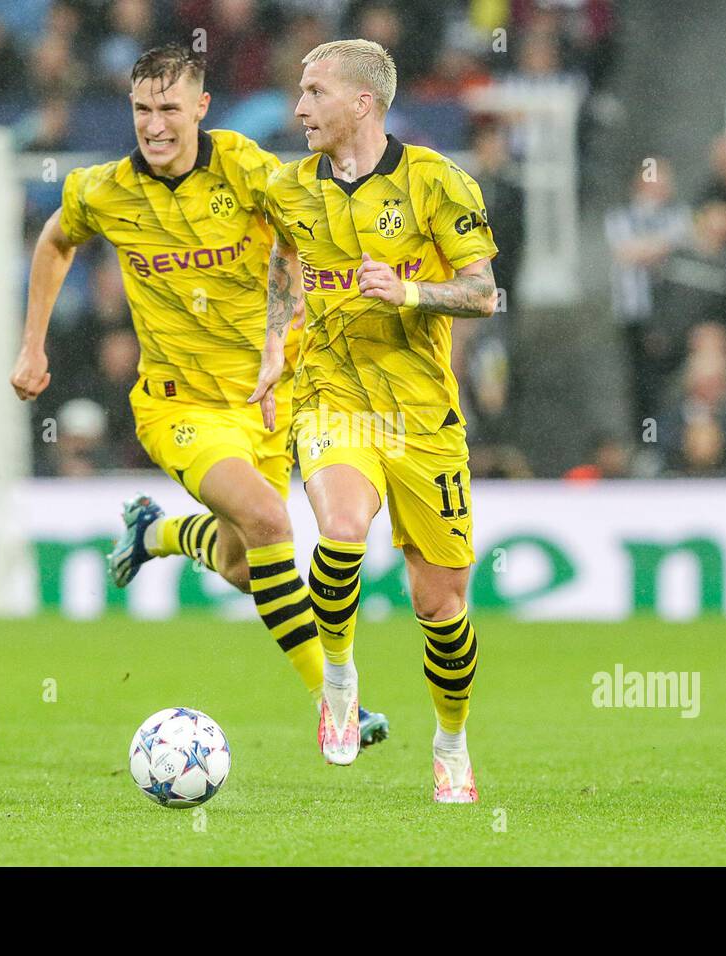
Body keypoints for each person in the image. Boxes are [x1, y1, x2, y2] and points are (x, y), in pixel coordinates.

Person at [9, 44, 390, 748]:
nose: (154, 126)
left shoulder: (246, 168)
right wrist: (33, 342)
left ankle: (153, 533)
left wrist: (282, 337)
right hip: (178, 405)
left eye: (169, 109)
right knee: (270, 520)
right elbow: (56, 241)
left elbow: (297, 241)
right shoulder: (103, 190)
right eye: (142, 110)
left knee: (248, 570)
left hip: (267, 401)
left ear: (201, 109)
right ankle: (336, 703)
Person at [251, 39, 498, 802]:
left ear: (363, 103)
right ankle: (339, 681)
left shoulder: (437, 182)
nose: (299, 108)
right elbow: (286, 264)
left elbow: (484, 291)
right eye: (299, 91)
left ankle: (451, 743)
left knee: (441, 603)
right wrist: (270, 349)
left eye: (314, 93)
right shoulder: (291, 189)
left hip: (422, 415)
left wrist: (413, 294)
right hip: (332, 395)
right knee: (343, 530)